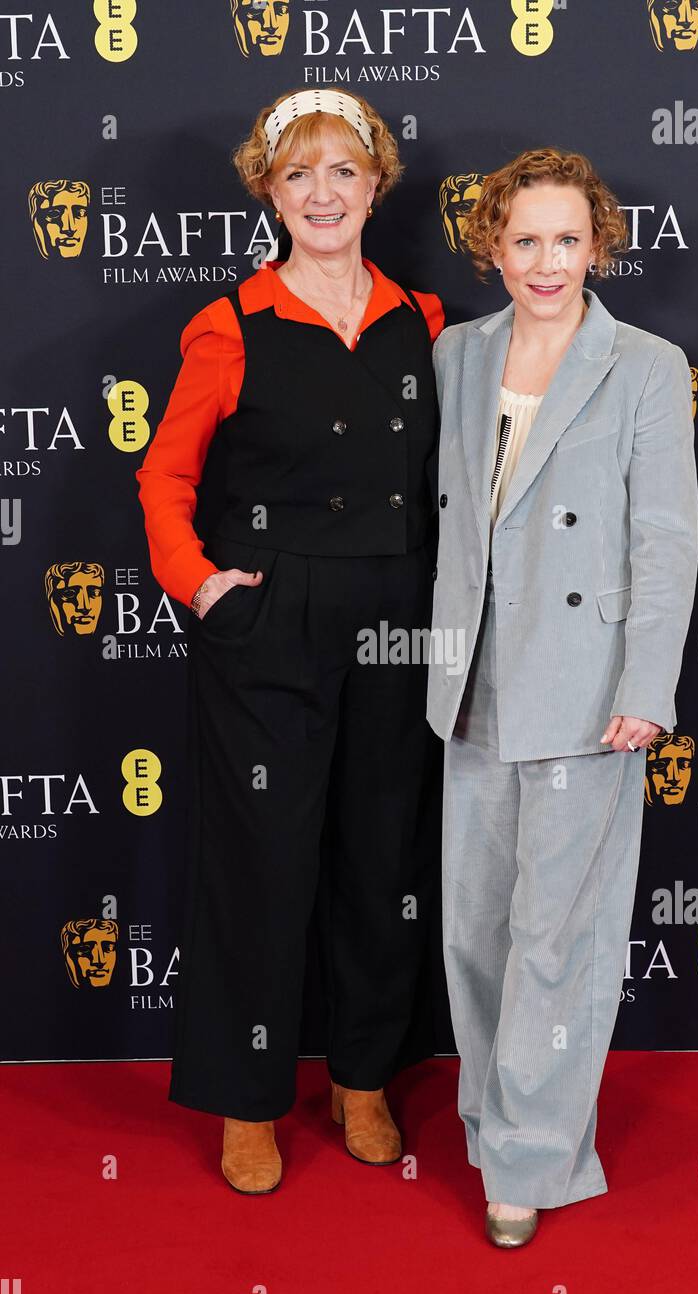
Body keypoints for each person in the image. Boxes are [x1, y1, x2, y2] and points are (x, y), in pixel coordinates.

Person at [135, 86, 444, 1194]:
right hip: (269, 623)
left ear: (374, 187)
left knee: (381, 853)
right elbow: (164, 475)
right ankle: (248, 1098)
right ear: (269, 192)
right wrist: (204, 586)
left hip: (399, 620)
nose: (323, 193)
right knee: (259, 864)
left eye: (342, 172)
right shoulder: (231, 323)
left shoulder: (426, 318)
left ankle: (362, 1078)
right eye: (298, 174)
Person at [426, 147, 698, 1247]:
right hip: (469, 676)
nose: (545, 262)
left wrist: (644, 682)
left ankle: (532, 1161)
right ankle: (493, 1122)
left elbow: (665, 537)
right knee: (475, 928)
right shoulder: (453, 354)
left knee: (556, 936)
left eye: (567, 240)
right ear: (492, 244)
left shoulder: (640, 363)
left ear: (599, 245)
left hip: (585, 688)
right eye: (524, 239)